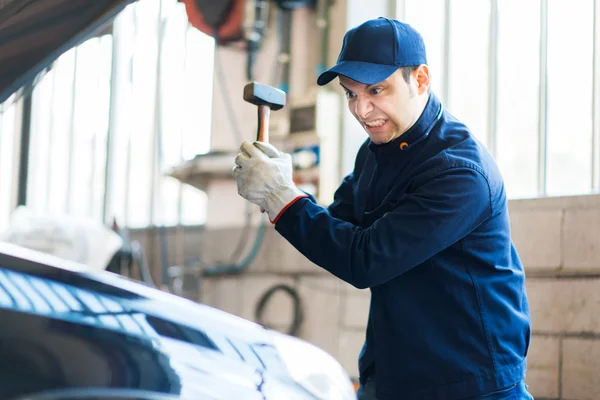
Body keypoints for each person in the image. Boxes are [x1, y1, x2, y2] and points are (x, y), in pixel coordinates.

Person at [233, 17, 533, 400]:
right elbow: (337, 225)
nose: (362, 110)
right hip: (395, 374)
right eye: (351, 94)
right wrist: (278, 187)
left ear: (421, 80)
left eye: (377, 90)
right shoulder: (375, 153)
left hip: (471, 383)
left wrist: (282, 198)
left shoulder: (460, 173)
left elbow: (366, 259)